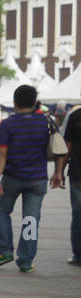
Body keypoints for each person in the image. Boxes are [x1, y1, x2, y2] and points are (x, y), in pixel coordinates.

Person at [0, 84, 62, 273]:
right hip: (37, 180)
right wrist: (58, 173)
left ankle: (5, 251)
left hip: (13, 178)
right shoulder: (47, 121)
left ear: (14, 103)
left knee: (1, 211)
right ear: (34, 102)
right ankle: (25, 260)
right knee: (30, 219)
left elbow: (2, 154)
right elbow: (60, 149)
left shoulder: (8, 124)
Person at [62, 103, 81, 265]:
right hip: (77, 173)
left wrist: (59, 170)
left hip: (77, 173)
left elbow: (67, 146)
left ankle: (79, 256)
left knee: (78, 214)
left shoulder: (75, 116)